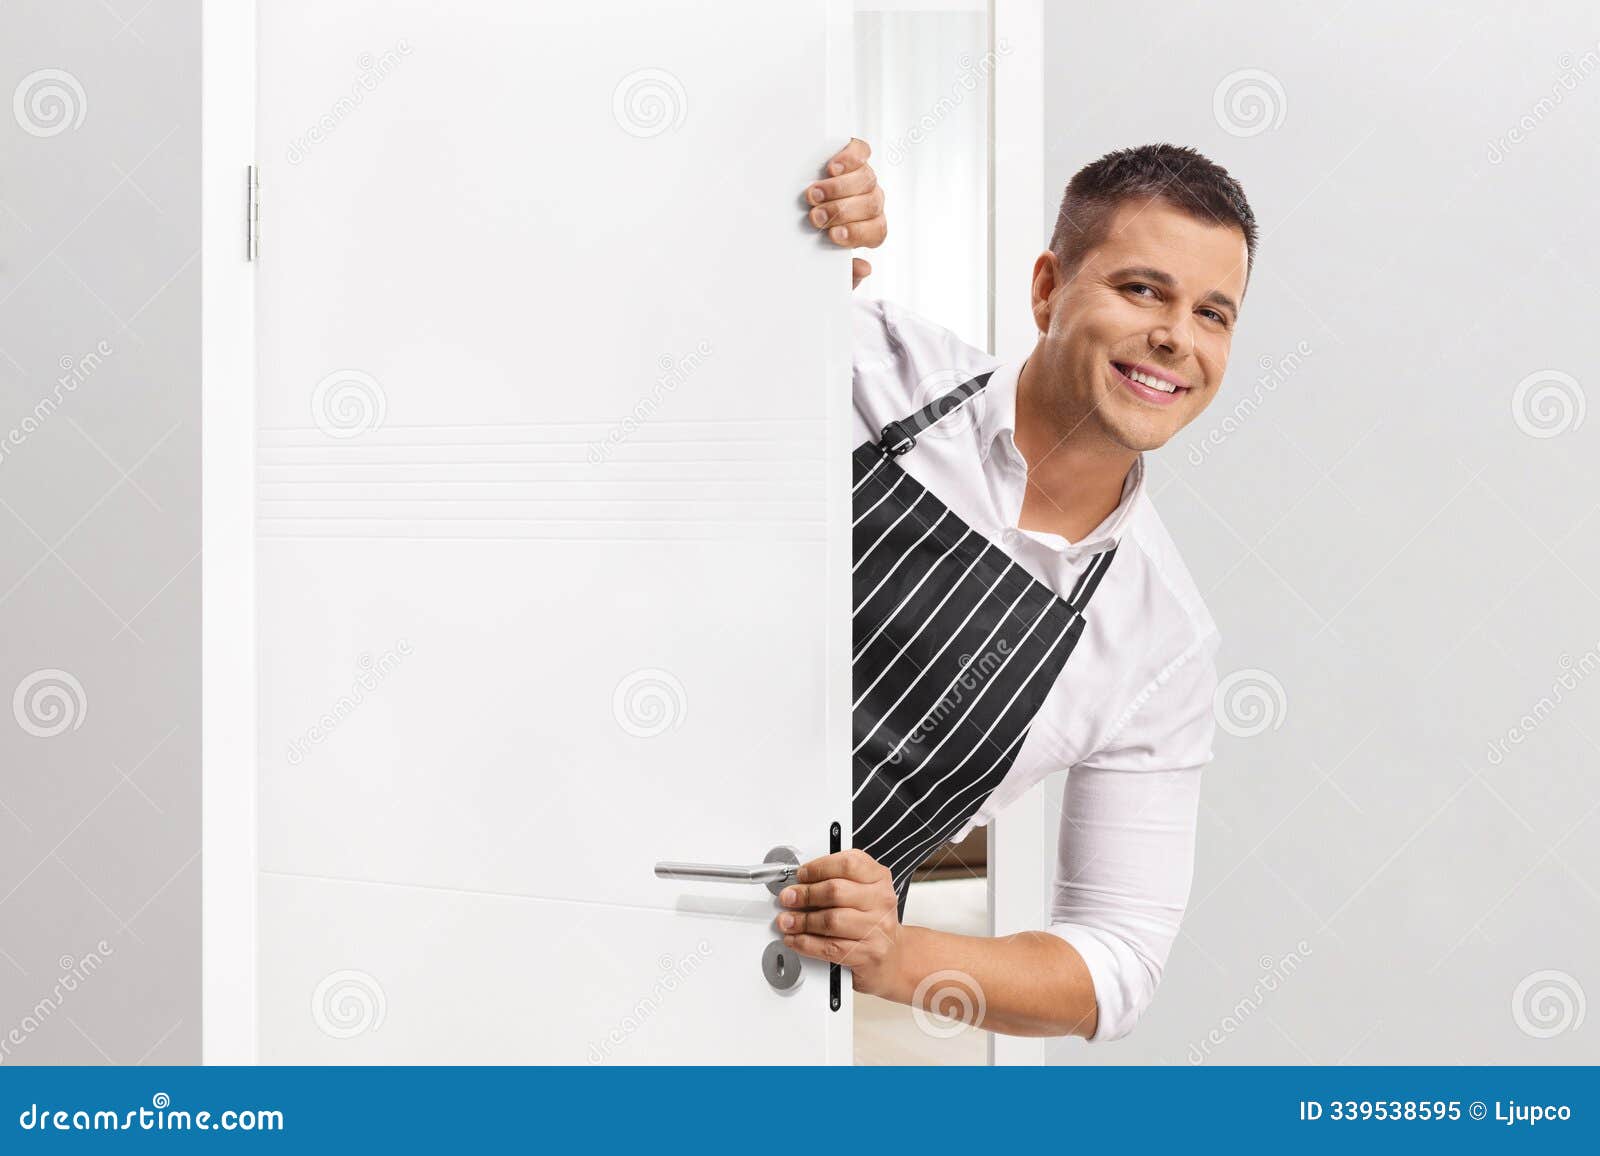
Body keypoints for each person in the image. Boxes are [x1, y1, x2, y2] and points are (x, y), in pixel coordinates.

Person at [778, 139, 1256, 1040]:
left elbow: (1117, 957)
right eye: (1142, 289)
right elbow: (666, 336)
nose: (1176, 338)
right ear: (1047, 288)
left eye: (1214, 314)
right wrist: (804, 232)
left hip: (770, 995)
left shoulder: (1161, 641)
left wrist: (890, 953)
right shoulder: (868, 371)